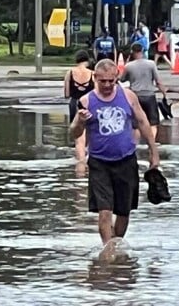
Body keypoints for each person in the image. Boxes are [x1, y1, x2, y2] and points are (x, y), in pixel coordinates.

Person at [69, 59, 161, 244]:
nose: (107, 85)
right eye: (103, 81)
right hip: (99, 162)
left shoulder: (128, 96)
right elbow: (74, 133)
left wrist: (153, 151)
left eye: (111, 80)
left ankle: (116, 244)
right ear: (95, 78)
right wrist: (80, 121)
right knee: (104, 211)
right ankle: (107, 250)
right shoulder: (86, 101)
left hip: (126, 160)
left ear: (117, 78)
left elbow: (143, 122)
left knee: (123, 211)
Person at [119, 43, 169, 140]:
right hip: (149, 95)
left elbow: (121, 79)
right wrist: (164, 93)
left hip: (135, 96)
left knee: (136, 123)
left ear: (132, 52)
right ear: (142, 51)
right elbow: (158, 81)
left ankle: (135, 144)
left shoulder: (129, 66)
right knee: (153, 123)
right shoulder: (151, 64)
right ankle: (151, 142)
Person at [63, 50, 94, 161]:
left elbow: (66, 94)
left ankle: (79, 157)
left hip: (74, 103)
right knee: (88, 129)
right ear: (87, 60)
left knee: (76, 130)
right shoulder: (92, 74)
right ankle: (87, 153)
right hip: (88, 105)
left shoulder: (69, 73)